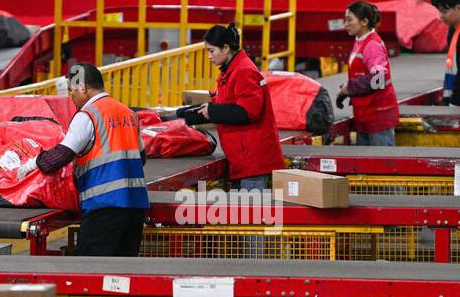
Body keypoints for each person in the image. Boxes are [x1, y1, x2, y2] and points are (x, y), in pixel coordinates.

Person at [36, 63, 149, 256]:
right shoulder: (128, 113)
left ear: (84, 88)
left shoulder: (87, 116)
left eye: (72, 91)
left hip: (104, 207)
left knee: (90, 271)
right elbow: (142, 157)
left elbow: (57, 158)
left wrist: (33, 162)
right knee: (122, 276)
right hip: (136, 207)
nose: (71, 96)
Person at [170, 24, 284, 190]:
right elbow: (220, 105)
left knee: (251, 213)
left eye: (211, 51)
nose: (209, 56)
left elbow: (248, 112)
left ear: (226, 48)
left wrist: (213, 111)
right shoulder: (230, 71)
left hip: (252, 160)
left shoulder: (244, 72)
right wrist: (180, 116)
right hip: (243, 158)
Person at [336, 0, 399, 146]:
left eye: (349, 19)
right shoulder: (360, 41)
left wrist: (350, 88)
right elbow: (360, 74)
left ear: (364, 21)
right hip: (365, 113)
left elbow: (379, 79)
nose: (346, 24)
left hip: (378, 115)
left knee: (382, 164)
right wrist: (345, 93)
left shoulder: (372, 45)